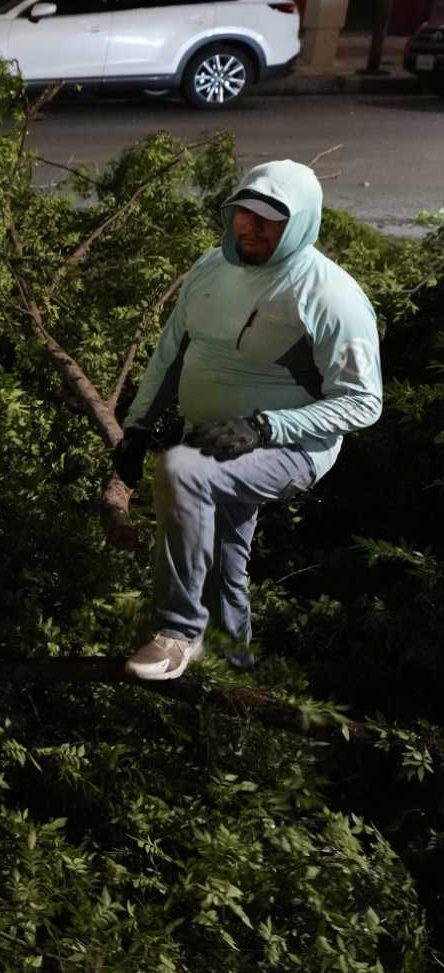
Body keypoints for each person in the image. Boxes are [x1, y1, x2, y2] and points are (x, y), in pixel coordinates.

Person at [116, 162, 382, 680]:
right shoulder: (210, 267)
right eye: (245, 213)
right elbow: (171, 351)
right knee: (222, 557)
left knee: (183, 472)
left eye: (272, 219)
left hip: (293, 448)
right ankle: (232, 665)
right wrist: (137, 427)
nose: (253, 227)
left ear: (301, 224)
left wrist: (264, 427)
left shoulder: (330, 296)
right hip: (214, 438)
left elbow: (362, 402)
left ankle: (177, 633)